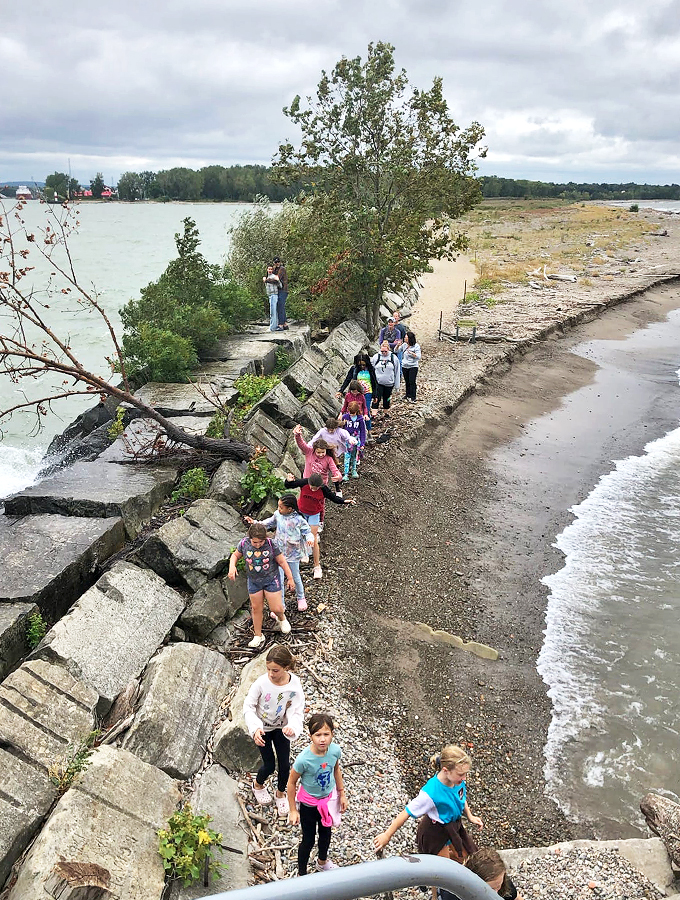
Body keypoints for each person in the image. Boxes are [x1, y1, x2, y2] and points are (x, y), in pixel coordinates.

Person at [373, 745, 482, 864]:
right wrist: (387, 835)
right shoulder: (430, 794)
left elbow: (461, 797)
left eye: (466, 774)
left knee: (469, 858)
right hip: (435, 833)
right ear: (446, 770)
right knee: (444, 870)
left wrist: (470, 816)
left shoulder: (457, 781)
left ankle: (445, 859)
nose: (464, 778)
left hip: (453, 826)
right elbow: (406, 812)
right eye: (461, 774)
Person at [244, 644, 305, 816]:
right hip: (262, 729)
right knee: (269, 765)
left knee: (285, 766)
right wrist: (255, 728)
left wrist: (292, 727)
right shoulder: (261, 683)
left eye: (276, 670)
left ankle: (280, 793)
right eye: (269, 669)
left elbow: (297, 710)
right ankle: (257, 784)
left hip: (281, 728)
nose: (271, 674)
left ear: (286, 667)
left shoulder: (294, 685)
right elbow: (249, 706)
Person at [287, 712, 347, 876]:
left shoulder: (334, 751)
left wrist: (341, 793)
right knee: (308, 839)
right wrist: (293, 810)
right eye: (318, 734)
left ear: (332, 735)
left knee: (326, 834)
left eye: (326, 734)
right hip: (308, 804)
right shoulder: (304, 760)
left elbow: (336, 769)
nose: (322, 739)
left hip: (327, 801)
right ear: (310, 736)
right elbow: (291, 783)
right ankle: (302, 874)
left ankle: (322, 861)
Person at [228, 523, 294, 649]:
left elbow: (281, 561)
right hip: (254, 581)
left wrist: (290, 578)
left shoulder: (271, 544)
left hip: (271, 579)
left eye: (260, 542)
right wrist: (232, 566)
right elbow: (235, 555)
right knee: (256, 608)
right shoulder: (244, 544)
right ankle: (258, 635)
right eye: (255, 542)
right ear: (250, 538)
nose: (258, 545)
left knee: (276, 607)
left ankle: (282, 618)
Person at [245, 495, 315, 612]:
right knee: (279, 579)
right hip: (278, 553)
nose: (278, 509)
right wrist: (256, 522)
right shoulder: (278, 515)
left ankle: (301, 597)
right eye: (278, 506)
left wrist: (310, 539)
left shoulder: (299, 520)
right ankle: (280, 604)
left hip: (293, 554)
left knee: (295, 576)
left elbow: (307, 531)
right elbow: (268, 523)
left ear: (290, 509)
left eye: (281, 507)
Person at [284, 472, 356, 579]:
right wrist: (288, 480)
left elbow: (334, 498)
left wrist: (345, 501)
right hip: (302, 512)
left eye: (315, 488)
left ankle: (317, 566)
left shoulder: (323, 489)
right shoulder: (304, 482)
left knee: (312, 538)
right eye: (312, 488)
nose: (313, 490)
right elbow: (289, 485)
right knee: (299, 534)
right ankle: (303, 553)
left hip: (314, 514)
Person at [438, 849, 522, 900]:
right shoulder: (452, 894)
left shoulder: (501, 883)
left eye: (498, 886)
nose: (496, 893)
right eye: (491, 889)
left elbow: (516, 897)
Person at [293, 425, 343, 493]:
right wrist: (297, 435)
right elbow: (301, 444)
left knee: (318, 502)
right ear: (314, 450)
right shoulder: (309, 452)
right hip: (307, 482)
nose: (321, 454)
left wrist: (338, 476)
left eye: (323, 452)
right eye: (318, 452)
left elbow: (334, 470)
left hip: (321, 485)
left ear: (326, 450)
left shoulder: (328, 459)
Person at [337, 353, 377, 422]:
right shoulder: (354, 369)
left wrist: (375, 395)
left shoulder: (371, 369)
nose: (362, 366)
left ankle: (367, 428)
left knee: (366, 410)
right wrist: (341, 390)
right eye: (360, 365)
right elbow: (347, 380)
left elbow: (374, 382)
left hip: (368, 392)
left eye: (364, 365)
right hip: (356, 392)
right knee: (355, 409)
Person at [371, 341, 401, 411]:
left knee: (387, 398)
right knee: (376, 398)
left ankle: (386, 412)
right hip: (378, 383)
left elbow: (397, 372)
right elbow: (371, 369)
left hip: (389, 383)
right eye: (382, 351)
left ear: (389, 350)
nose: (384, 353)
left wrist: (397, 386)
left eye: (385, 351)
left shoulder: (394, 358)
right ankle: (374, 413)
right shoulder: (376, 357)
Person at [341, 401, 366, 480]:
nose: (351, 414)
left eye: (353, 413)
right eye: (350, 412)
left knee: (354, 456)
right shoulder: (345, 417)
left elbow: (363, 431)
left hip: (356, 440)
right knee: (347, 456)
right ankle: (346, 473)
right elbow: (341, 430)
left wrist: (362, 443)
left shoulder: (360, 419)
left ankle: (354, 470)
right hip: (347, 441)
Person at [401, 330, 422, 402]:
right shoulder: (404, 345)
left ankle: (413, 396)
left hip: (413, 366)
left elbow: (419, 357)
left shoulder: (416, 346)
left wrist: (413, 354)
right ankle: (407, 394)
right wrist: (397, 345)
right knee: (407, 381)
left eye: (406, 337)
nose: (404, 338)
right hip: (404, 365)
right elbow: (397, 350)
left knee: (412, 381)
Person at [263, 265, 281, 333]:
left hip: (274, 295)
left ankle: (272, 327)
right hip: (270, 295)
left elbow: (280, 285)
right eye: (269, 269)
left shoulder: (274, 277)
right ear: (267, 270)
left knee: (273, 311)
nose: (270, 270)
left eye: (271, 269)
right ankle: (274, 326)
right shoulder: (267, 278)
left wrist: (278, 280)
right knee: (273, 311)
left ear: (272, 270)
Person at [273, 256, 289, 330]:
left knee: (280, 306)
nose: (277, 263)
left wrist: (266, 280)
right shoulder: (274, 269)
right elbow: (270, 275)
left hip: (283, 290)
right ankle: (285, 324)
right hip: (278, 290)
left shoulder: (282, 269)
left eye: (278, 262)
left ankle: (281, 324)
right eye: (276, 262)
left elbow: (277, 279)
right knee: (281, 306)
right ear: (274, 263)